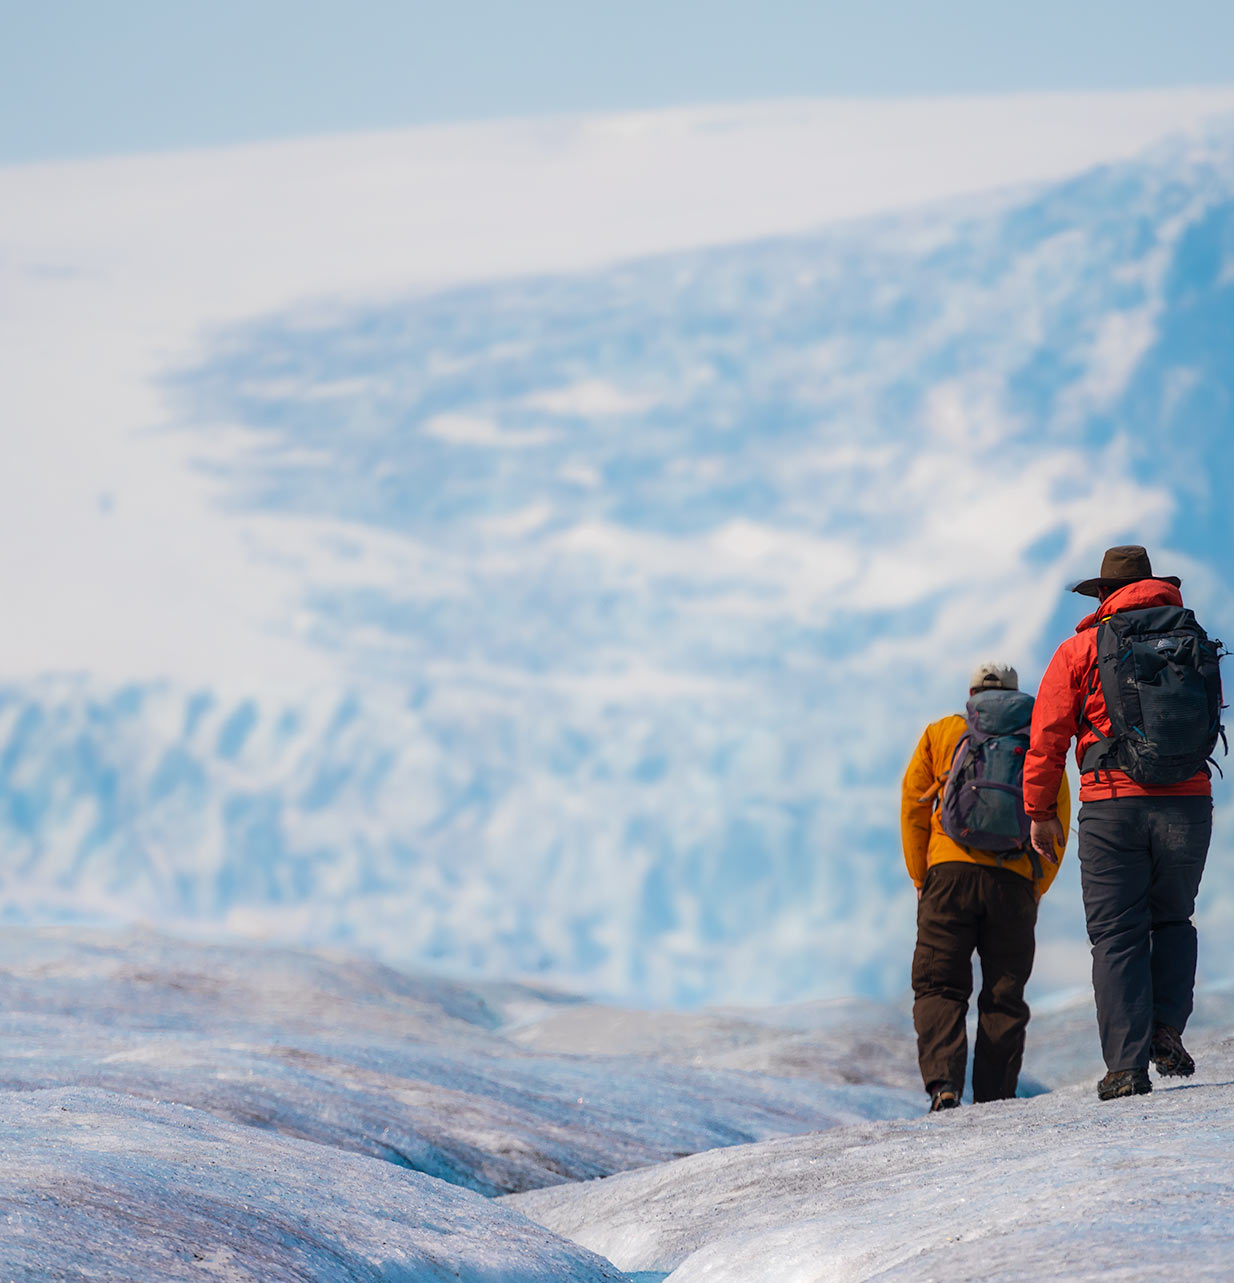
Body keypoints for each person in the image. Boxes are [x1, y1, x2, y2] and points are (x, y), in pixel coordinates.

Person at [1025, 545, 1222, 1101]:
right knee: (1174, 920)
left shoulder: (1081, 648)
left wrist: (1040, 812)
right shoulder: (1192, 638)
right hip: (1188, 801)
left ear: (1104, 593)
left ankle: (1126, 1067)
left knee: (1117, 935)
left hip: (1112, 805)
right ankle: (1167, 1029)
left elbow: (1047, 740)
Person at [902, 662, 1069, 1112]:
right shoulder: (1035, 741)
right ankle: (995, 1101)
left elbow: (913, 809)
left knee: (940, 985)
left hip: (948, 876)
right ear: (1016, 696)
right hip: (1014, 882)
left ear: (971, 694)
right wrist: (1035, 883)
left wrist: (922, 876)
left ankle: (945, 1087)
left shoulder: (943, 733)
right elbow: (1058, 818)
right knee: (1004, 994)